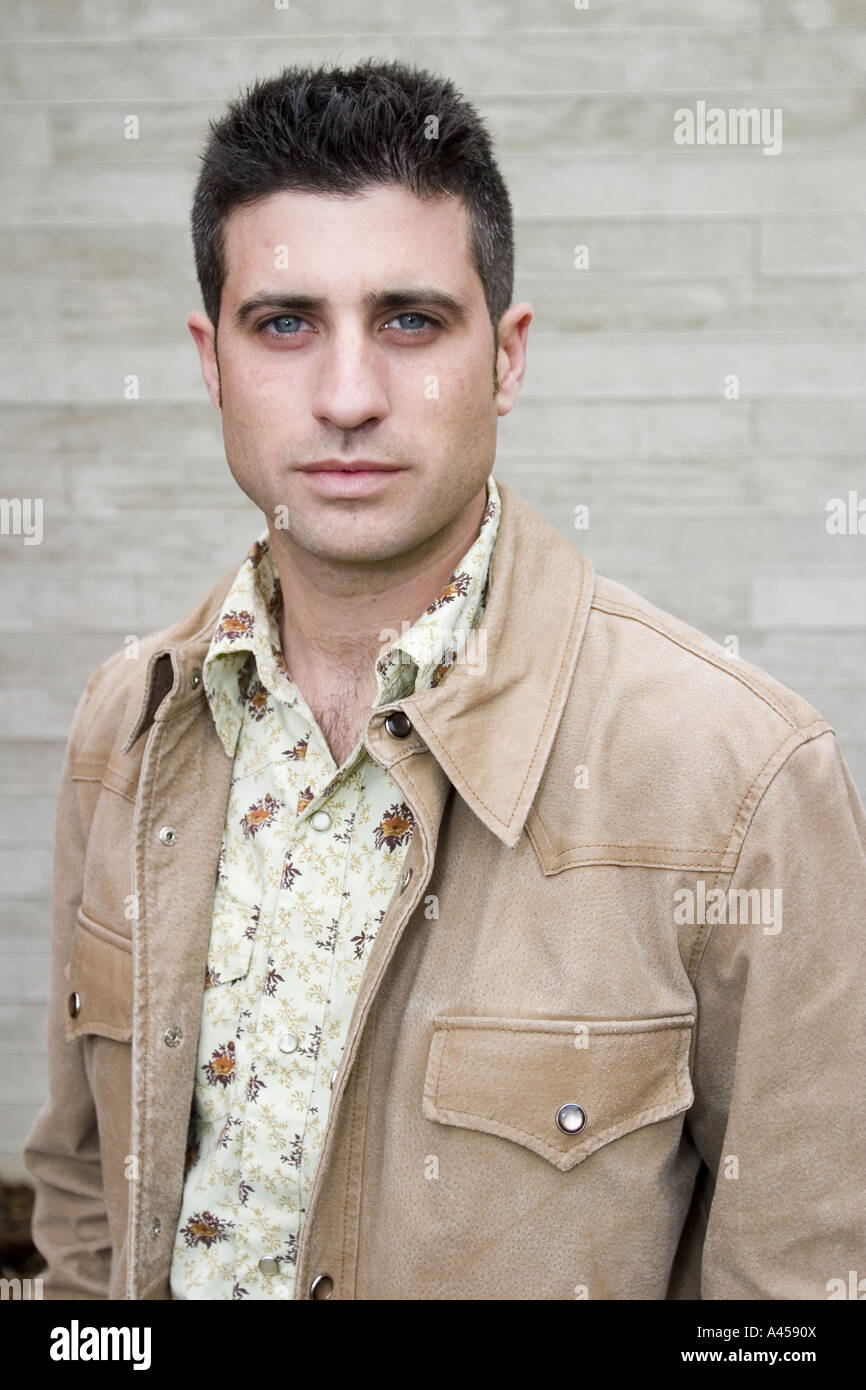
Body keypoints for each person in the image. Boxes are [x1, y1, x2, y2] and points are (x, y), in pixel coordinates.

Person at [24, 58, 866, 1301]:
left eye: (408, 321)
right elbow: (84, 1203)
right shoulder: (127, 722)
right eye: (284, 323)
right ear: (211, 362)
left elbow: (793, 1303)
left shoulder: (740, 779)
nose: (347, 397)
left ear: (505, 359)